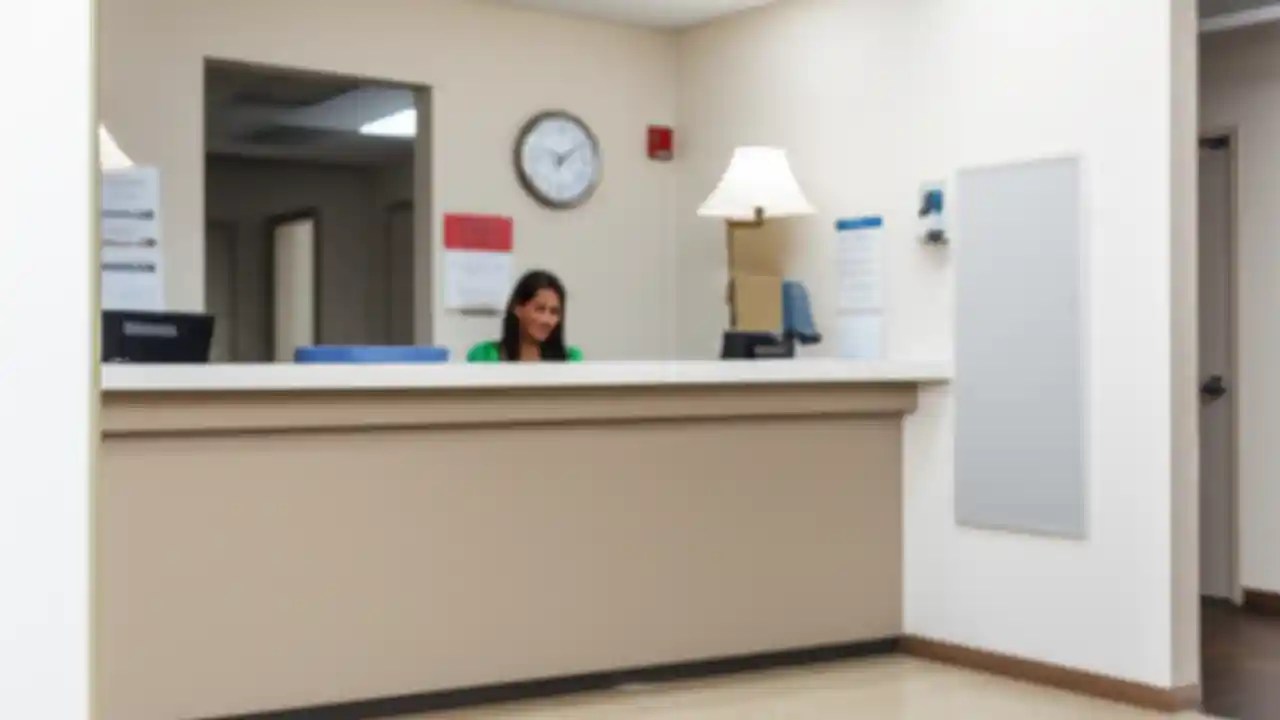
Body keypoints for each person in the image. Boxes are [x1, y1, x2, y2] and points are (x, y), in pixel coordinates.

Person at [467, 270, 583, 363]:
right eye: (540, 310)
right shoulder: (485, 356)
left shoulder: (571, 359)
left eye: (554, 312)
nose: (547, 320)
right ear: (517, 309)